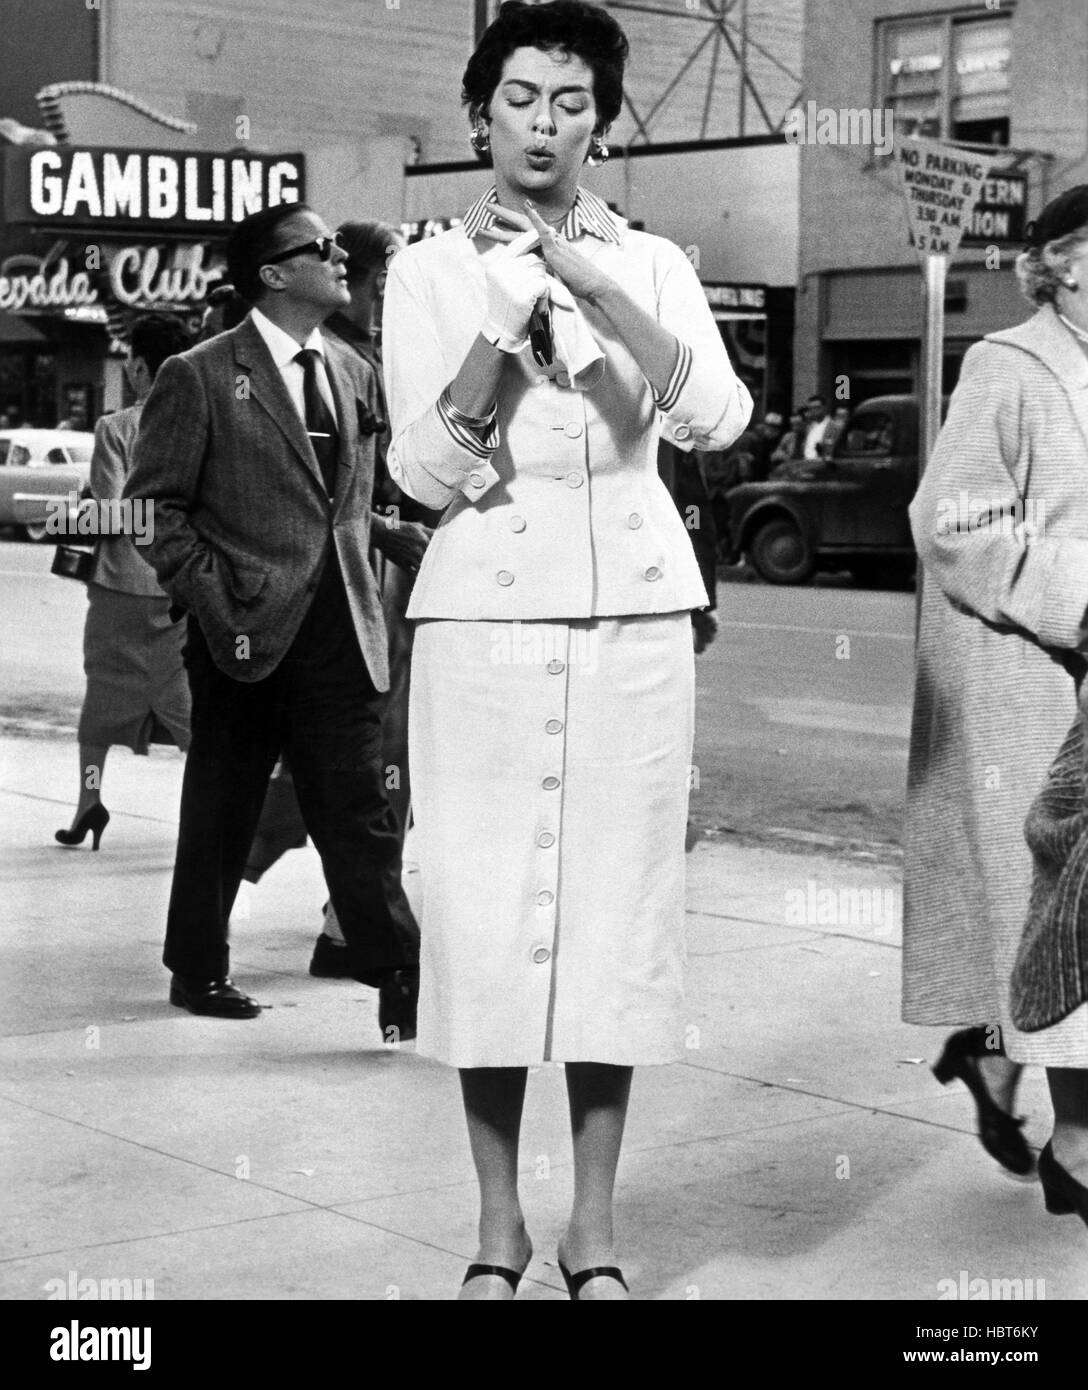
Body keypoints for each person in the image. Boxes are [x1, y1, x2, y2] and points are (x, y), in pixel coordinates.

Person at [383, 0, 751, 1299]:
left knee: (613, 918)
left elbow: (715, 418)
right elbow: (424, 471)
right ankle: (499, 1226)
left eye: (571, 101)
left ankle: (592, 1226)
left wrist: (592, 288)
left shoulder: (653, 262)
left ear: (600, 118)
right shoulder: (425, 271)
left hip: (636, 627)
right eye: (523, 98)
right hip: (481, 626)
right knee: (484, 921)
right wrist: (497, 324)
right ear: (482, 111)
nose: (546, 123)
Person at [124, 202, 420, 1037]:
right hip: (243, 633)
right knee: (224, 803)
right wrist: (217, 600)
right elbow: (152, 511)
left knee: (357, 808)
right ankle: (198, 968)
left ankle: (398, 975)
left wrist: (390, 535)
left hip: (343, 627)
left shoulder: (357, 373)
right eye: (319, 248)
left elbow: (354, 503)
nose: (339, 259)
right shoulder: (201, 373)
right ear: (274, 274)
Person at [904, 185, 1088, 1206]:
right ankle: (1073, 1145)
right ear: (1057, 263)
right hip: (1034, 676)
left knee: (1061, 919)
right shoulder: (1008, 366)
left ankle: (993, 1059)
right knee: (1058, 903)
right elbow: (952, 519)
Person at [55, 314, 193, 851]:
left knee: (100, 711)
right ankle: (198, 818)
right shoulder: (200, 422)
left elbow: (118, 514)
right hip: (181, 591)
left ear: (137, 366)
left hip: (120, 593)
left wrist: (74, 514)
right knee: (188, 715)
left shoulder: (118, 428)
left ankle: (90, 803)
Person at [801, 393, 831, 458]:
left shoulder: (832, 425)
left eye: (817, 407)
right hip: (807, 463)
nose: (814, 410)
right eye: (811, 408)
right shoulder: (809, 427)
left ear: (825, 408)